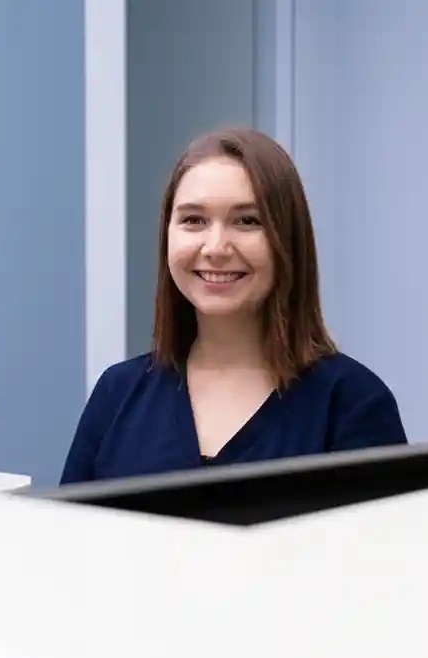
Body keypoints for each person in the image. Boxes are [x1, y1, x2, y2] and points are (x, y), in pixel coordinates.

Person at [60, 126, 407, 485]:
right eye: (193, 220)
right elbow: (66, 539)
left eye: (247, 221)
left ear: (287, 240)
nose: (215, 247)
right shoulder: (118, 393)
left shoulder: (352, 403)